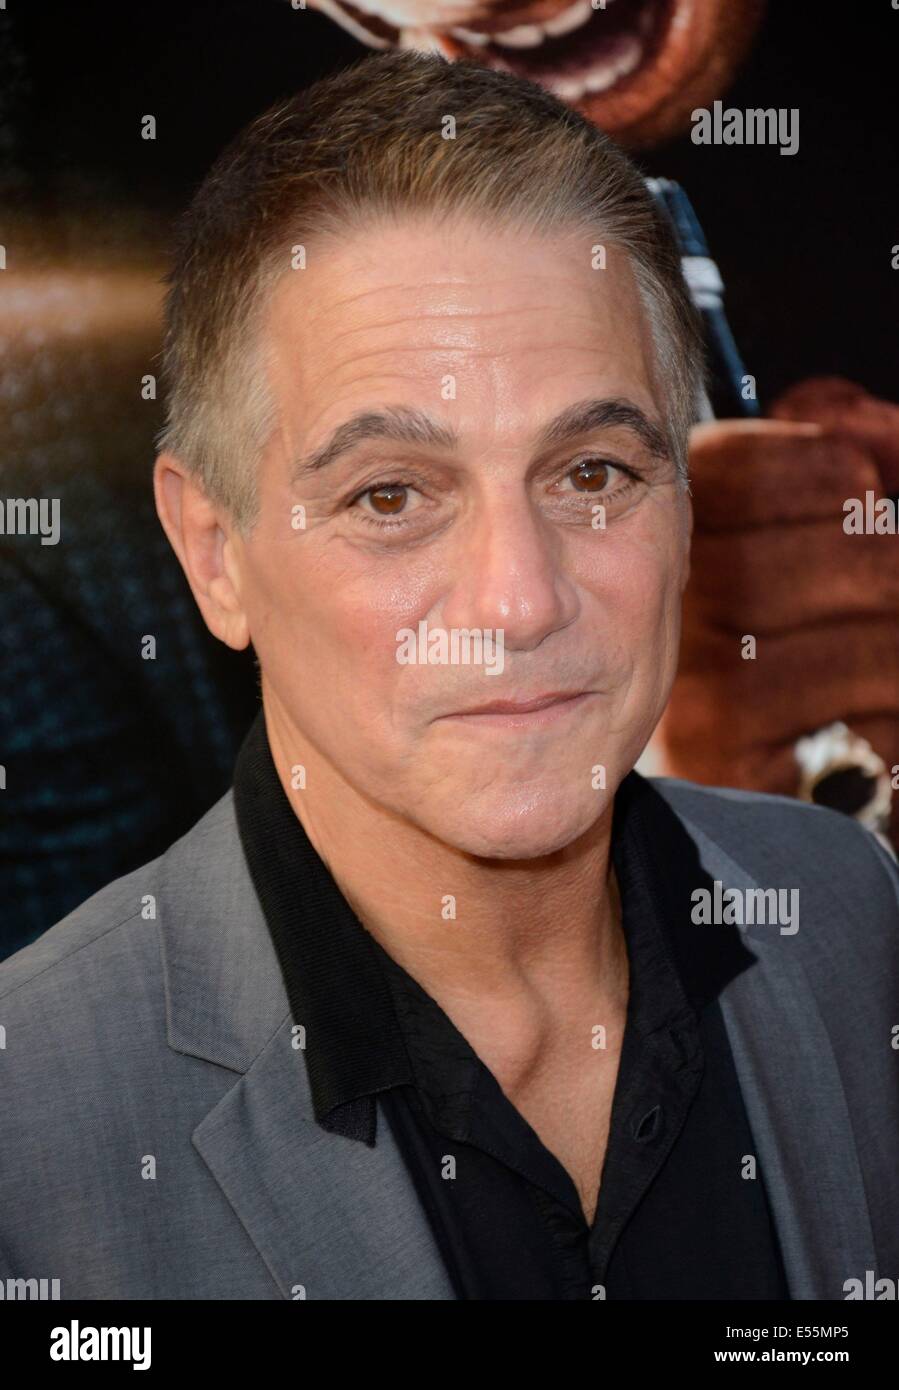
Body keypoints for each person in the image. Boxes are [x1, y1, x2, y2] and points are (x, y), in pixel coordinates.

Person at [1, 50, 896, 1302]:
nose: (518, 601)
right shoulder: (27, 1123)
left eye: (592, 472)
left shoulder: (851, 909)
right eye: (389, 496)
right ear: (216, 555)